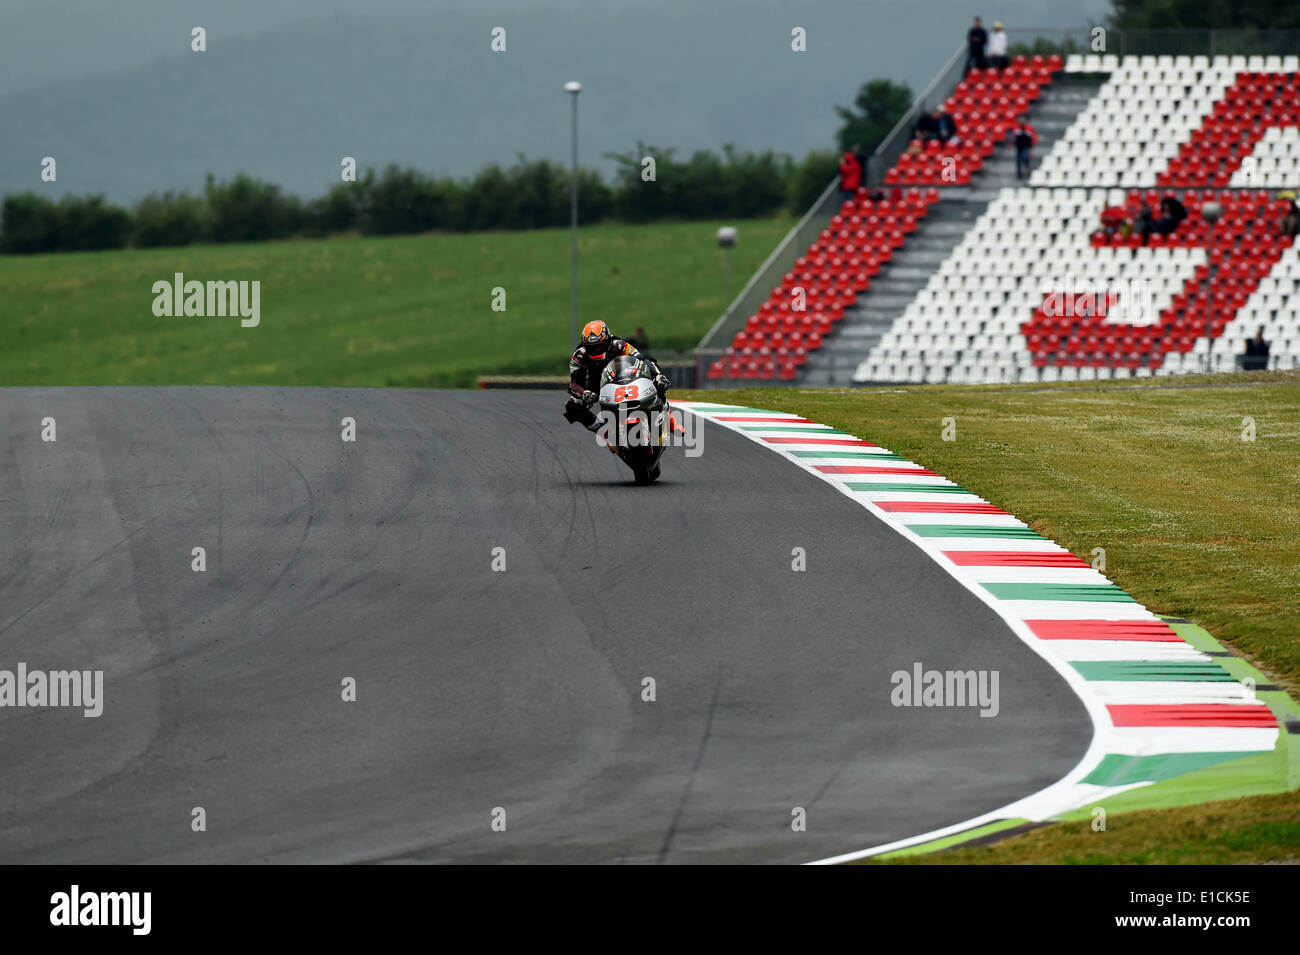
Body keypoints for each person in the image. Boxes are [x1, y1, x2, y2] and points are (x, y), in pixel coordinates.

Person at [564, 320, 669, 431]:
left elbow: (643, 360)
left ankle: (668, 415)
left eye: (599, 346)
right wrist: (583, 392)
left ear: (607, 339)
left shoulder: (619, 345)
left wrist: (658, 376)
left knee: (658, 380)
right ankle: (602, 430)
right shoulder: (579, 355)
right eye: (592, 347)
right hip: (594, 387)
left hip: (624, 379)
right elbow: (573, 384)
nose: (596, 350)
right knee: (571, 406)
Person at [1011, 114, 1037, 178]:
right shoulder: (1016, 127)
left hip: (1027, 146)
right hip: (1019, 147)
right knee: (1018, 160)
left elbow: (1034, 136)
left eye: (1022, 119)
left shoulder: (1029, 128)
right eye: (1020, 119)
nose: (1021, 121)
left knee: (1025, 157)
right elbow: (1013, 137)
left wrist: (1033, 144)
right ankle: (1019, 173)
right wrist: (1012, 144)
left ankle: (1028, 170)